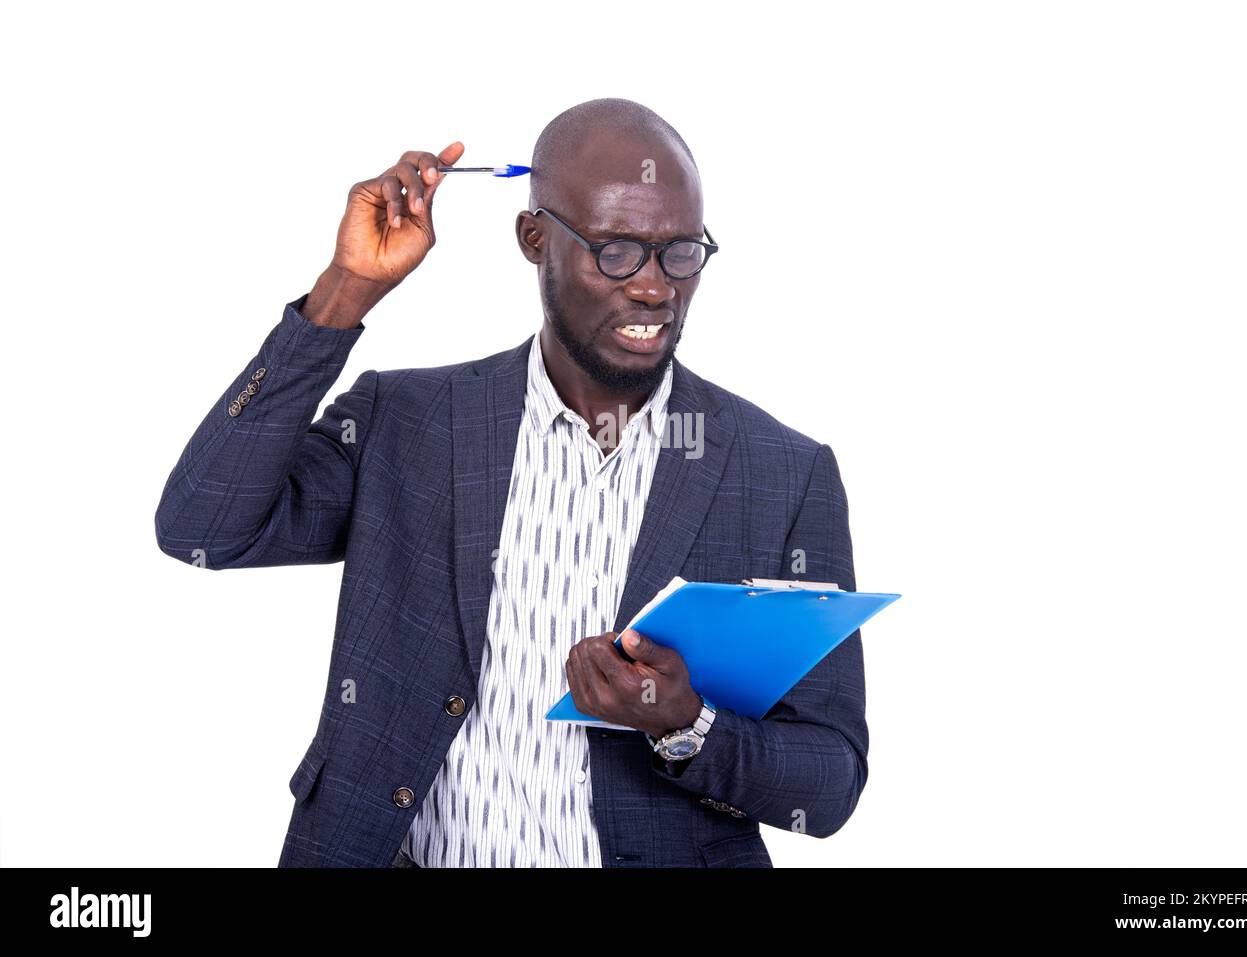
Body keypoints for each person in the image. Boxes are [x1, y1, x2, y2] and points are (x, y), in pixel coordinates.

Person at [155, 97, 869, 868]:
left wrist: (683, 722)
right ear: (535, 239)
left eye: (681, 251)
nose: (656, 287)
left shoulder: (783, 473)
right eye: (617, 250)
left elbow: (828, 782)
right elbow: (205, 525)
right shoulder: (407, 421)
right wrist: (344, 293)